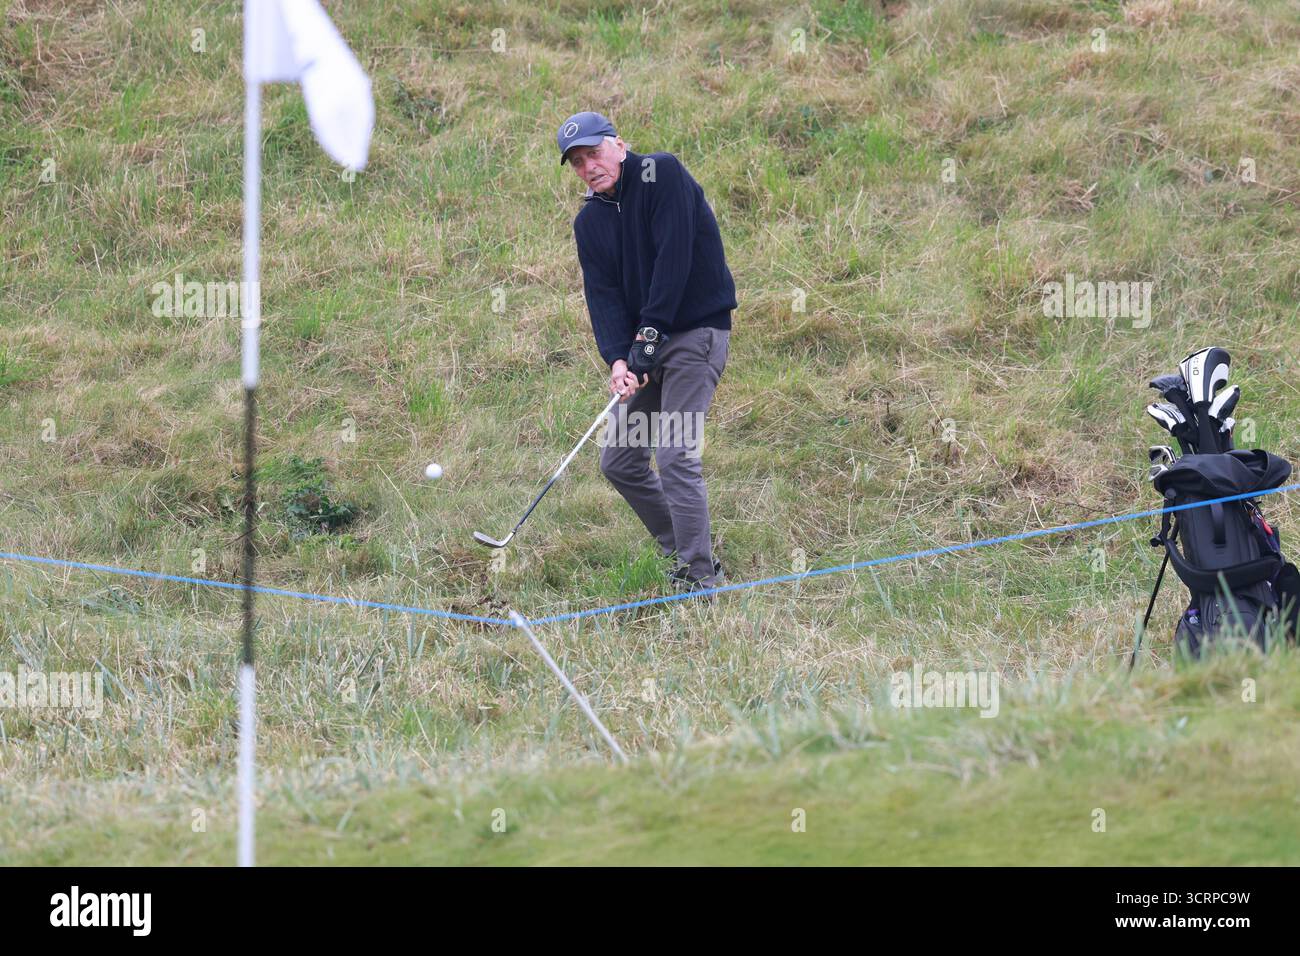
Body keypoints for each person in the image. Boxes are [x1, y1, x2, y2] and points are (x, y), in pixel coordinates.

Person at [559, 111, 737, 591]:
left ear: (618, 144)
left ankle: (701, 577)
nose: (588, 166)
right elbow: (604, 297)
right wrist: (619, 359)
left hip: (694, 335)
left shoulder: (662, 174)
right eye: (577, 162)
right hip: (645, 347)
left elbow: (673, 262)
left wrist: (649, 340)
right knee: (619, 459)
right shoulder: (590, 222)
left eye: (593, 152)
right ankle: (680, 547)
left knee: (676, 454)